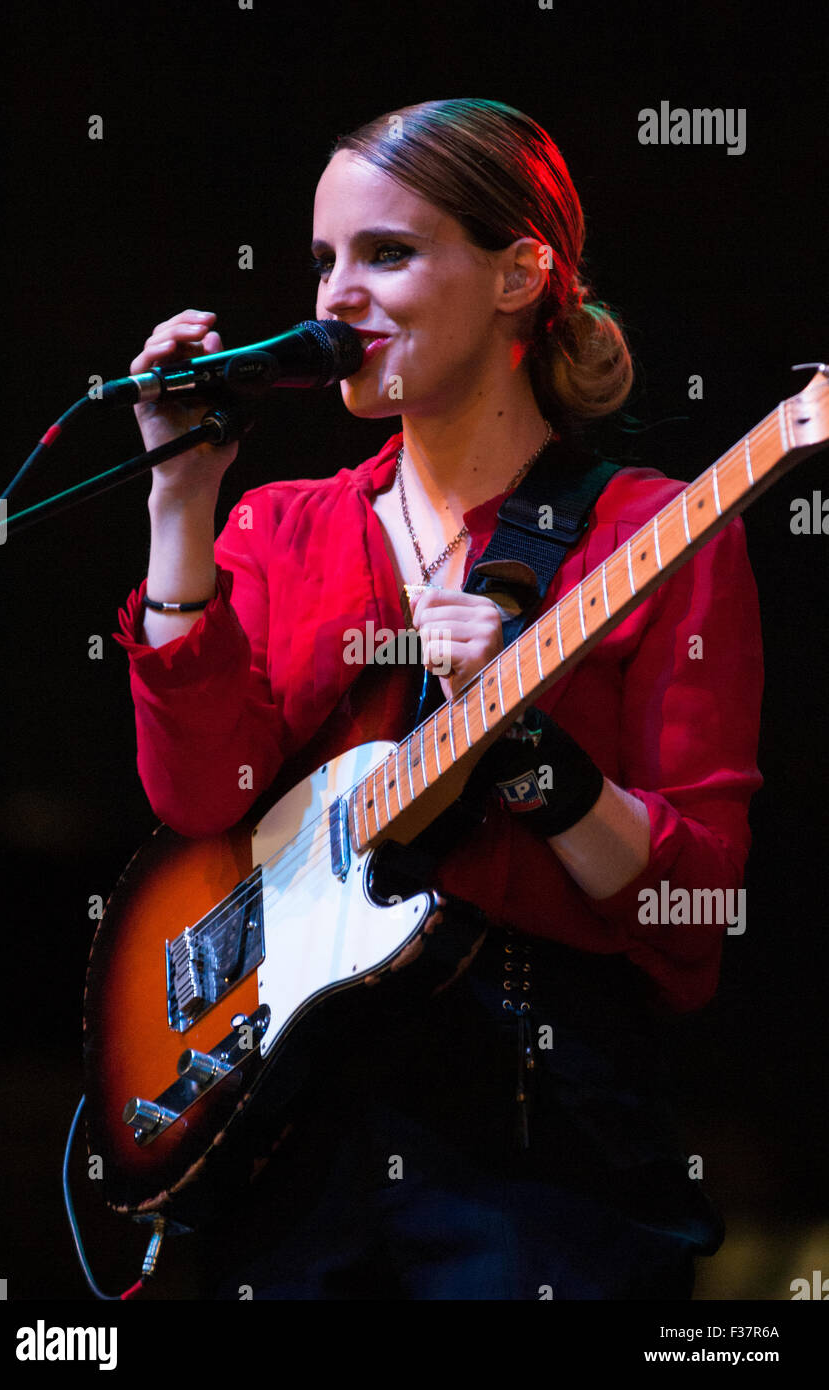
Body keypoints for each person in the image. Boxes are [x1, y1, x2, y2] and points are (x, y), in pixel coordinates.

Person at [113, 98, 763, 1300]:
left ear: (521, 273)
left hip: (536, 1145)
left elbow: (691, 912)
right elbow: (200, 796)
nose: (333, 299)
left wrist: (530, 751)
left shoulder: (653, 531)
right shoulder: (280, 523)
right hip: (292, 1145)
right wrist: (178, 508)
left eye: (387, 254)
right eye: (321, 263)